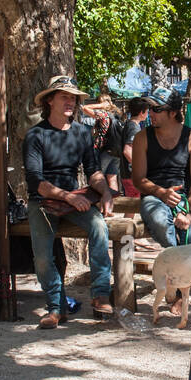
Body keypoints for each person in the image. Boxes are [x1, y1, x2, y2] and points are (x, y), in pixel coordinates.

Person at [23, 75, 115, 327]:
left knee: (99, 226)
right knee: (42, 257)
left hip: (74, 199)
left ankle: (100, 294)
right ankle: (56, 306)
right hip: (43, 201)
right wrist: (68, 197)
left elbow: (94, 171)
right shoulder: (35, 135)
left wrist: (105, 191)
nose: (70, 102)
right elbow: (35, 182)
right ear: (49, 100)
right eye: (64, 96)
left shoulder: (83, 133)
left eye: (73, 98)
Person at [132, 86, 191, 319]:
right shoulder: (141, 137)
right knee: (163, 225)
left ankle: (180, 291)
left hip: (184, 198)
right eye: (149, 108)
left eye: (156, 109)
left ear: (173, 112)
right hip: (154, 196)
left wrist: (190, 211)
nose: (149, 113)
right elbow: (138, 179)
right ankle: (176, 293)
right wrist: (161, 192)